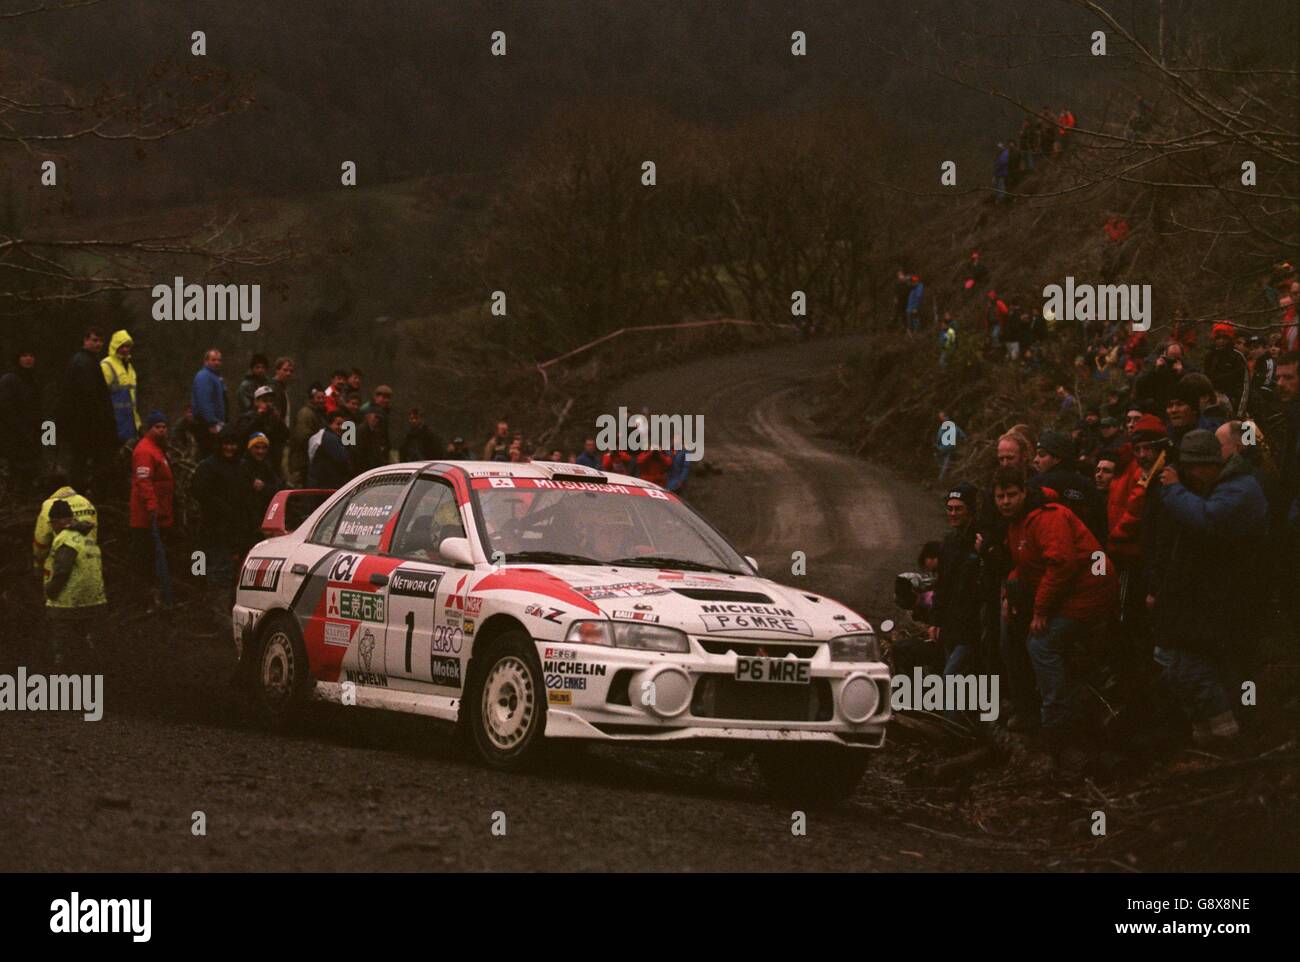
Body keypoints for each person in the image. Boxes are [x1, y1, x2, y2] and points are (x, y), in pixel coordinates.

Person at [1147, 430, 1268, 744]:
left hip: (1243, 592)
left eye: (1195, 467)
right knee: (1211, 662)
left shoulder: (1239, 489)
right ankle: (1219, 732)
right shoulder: (1221, 486)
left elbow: (1207, 520)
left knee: (1238, 665)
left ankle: (1243, 729)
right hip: (1222, 594)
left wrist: (1173, 490)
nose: (1193, 475)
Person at [994, 467, 1118, 751]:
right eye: (1000, 496)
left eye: (1011, 495)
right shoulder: (1017, 523)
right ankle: (1027, 708)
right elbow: (1024, 567)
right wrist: (1008, 595)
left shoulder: (1048, 516)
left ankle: (1056, 723)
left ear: (1024, 493)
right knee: (1012, 631)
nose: (1005, 502)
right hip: (1069, 590)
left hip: (1091, 588)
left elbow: (1061, 564)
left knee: (1041, 643)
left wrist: (1040, 611)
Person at [930, 484, 983, 713]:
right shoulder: (949, 542)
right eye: (949, 508)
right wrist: (936, 620)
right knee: (953, 677)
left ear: (970, 510)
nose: (952, 513)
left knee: (951, 676)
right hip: (951, 623)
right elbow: (942, 584)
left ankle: (954, 730)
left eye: (958, 509)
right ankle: (954, 725)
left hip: (973, 625)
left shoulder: (980, 539)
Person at [42, 499, 106, 668]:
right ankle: (91, 667)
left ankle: (60, 668)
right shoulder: (88, 538)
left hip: (70, 600)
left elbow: (62, 570)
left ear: (58, 522)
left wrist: (50, 591)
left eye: (52, 523)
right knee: (84, 636)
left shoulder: (65, 539)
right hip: (95, 599)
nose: (52, 527)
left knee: (61, 637)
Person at [192, 428, 243, 622]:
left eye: (233, 444)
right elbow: (197, 490)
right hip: (213, 527)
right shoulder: (208, 466)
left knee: (228, 571)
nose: (230, 448)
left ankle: (220, 611)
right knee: (213, 569)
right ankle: (216, 613)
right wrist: (221, 507)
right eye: (226, 444)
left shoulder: (238, 466)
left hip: (233, 528)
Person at [58, 327, 117, 495]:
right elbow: (88, 396)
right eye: (94, 340)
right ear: (85, 340)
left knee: (80, 461)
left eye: (100, 340)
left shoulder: (87, 361)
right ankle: (83, 494)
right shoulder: (84, 363)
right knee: (83, 461)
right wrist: (99, 423)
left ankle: (82, 492)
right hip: (85, 425)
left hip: (82, 424)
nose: (98, 344)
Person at [1028, 430, 1108, 544]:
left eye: (1041, 454)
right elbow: (1101, 529)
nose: (1035, 460)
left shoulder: (1035, 485)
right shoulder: (1088, 485)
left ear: (1057, 458)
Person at [130, 411, 175, 611]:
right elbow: (143, 481)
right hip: (147, 518)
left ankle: (163, 596)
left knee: (161, 555)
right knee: (147, 558)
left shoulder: (158, 449)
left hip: (162, 513)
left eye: (164, 427)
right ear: (149, 429)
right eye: (158, 427)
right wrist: (151, 505)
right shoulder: (144, 451)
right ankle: (148, 599)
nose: (162, 430)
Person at [33, 473, 97, 577]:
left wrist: (38, 565)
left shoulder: (49, 505)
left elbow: (41, 540)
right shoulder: (86, 502)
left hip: (60, 565)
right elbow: (94, 534)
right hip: (89, 563)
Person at [0, 347, 43, 494]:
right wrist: (20, 430)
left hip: (34, 432)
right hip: (15, 434)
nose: (28, 359)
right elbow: (6, 409)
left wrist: (49, 436)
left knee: (32, 469)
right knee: (16, 468)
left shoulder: (35, 379)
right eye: (24, 355)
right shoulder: (9, 380)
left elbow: (41, 409)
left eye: (31, 355)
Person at [239, 433, 284, 549]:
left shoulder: (268, 465)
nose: (260, 451)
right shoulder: (243, 467)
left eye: (264, 448)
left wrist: (264, 488)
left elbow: (279, 487)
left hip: (265, 516)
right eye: (257, 447)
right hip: (248, 521)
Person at [100, 329, 140, 446]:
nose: (125, 350)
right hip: (114, 426)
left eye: (128, 347)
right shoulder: (106, 365)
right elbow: (101, 396)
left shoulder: (130, 367)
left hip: (131, 426)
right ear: (115, 346)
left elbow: (133, 401)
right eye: (122, 346)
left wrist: (138, 425)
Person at [190, 348, 227, 458]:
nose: (217, 363)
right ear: (206, 361)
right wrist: (211, 422)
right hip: (206, 424)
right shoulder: (204, 376)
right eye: (213, 360)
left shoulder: (215, 377)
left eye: (219, 360)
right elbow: (204, 401)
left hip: (216, 422)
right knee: (208, 455)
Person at [289, 385, 329, 485]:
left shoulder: (320, 413)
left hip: (311, 461)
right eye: (318, 398)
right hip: (303, 462)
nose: (321, 400)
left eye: (323, 397)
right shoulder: (306, 414)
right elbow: (302, 437)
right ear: (311, 399)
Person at [308, 411, 353, 488]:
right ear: (329, 424)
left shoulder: (324, 435)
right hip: (326, 483)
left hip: (320, 481)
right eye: (338, 424)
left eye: (343, 424)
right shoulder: (330, 439)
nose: (341, 427)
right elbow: (343, 458)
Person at [352, 409, 390, 473]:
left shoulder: (374, 431)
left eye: (378, 418)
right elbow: (358, 451)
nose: (376, 420)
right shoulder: (362, 430)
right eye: (375, 417)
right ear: (367, 416)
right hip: (364, 468)